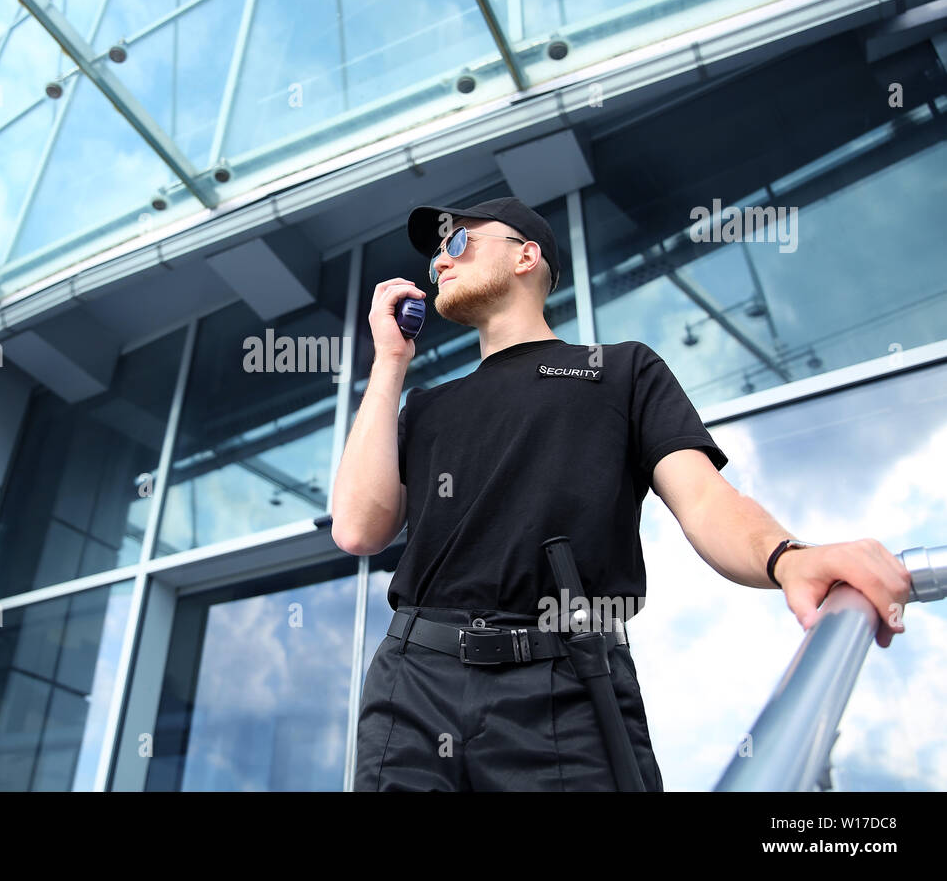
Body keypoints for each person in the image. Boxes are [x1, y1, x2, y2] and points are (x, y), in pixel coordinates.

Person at [330, 195, 912, 792]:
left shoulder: (621, 371)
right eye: (435, 259)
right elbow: (356, 528)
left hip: (567, 685)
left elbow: (706, 502)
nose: (441, 263)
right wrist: (390, 363)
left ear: (526, 256)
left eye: (458, 243)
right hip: (416, 684)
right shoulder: (427, 406)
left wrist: (789, 557)